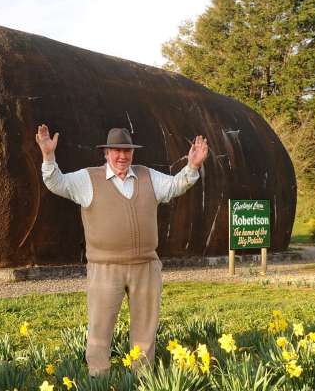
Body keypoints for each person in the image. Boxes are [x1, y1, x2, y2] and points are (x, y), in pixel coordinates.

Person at [35, 124, 209, 375]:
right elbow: (56, 182)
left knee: (145, 328)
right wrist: (48, 155)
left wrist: (192, 166)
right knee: (100, 326)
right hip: (105, 268)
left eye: (127, 151)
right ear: (106, 153)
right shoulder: (88, 178)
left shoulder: (147, 176)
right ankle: (98, 377)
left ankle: (142, 376)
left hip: (146, 267)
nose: (122, 156)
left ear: (132, 153)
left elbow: (175, 186)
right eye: (116, 151)